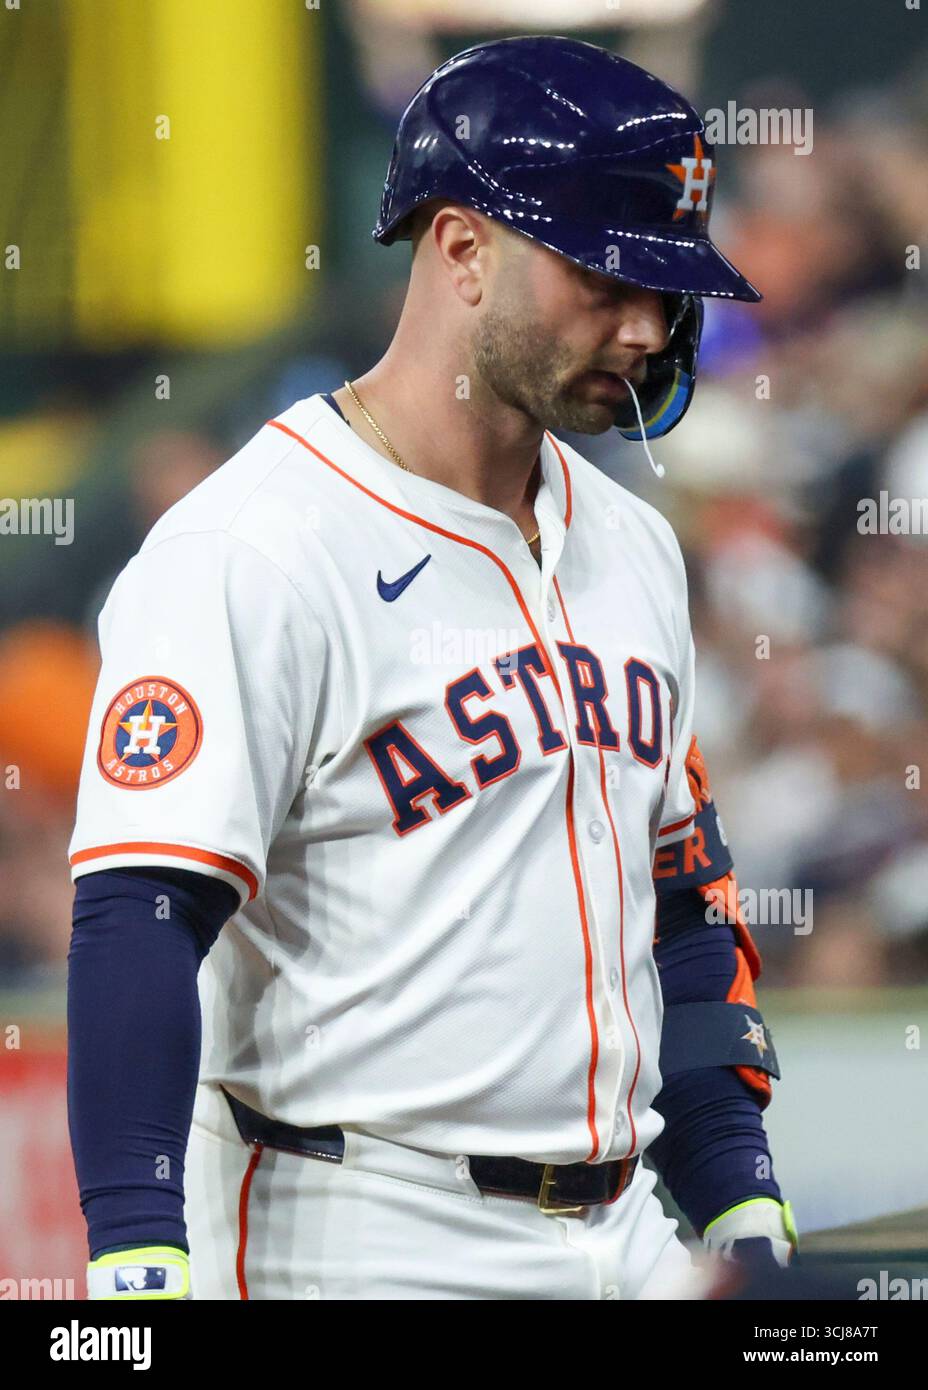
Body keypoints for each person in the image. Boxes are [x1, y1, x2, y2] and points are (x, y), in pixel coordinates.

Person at [68, 35, 796, 1301]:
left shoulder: (629, 542)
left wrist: (733, 1177)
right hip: (357, 1231)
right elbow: (139, 914)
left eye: (662, 285)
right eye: (602, 275)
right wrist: (135, 1247)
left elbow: (679, 888)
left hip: (625, 1234)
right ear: (462, 250)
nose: (644, 325)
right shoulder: (253, 548)